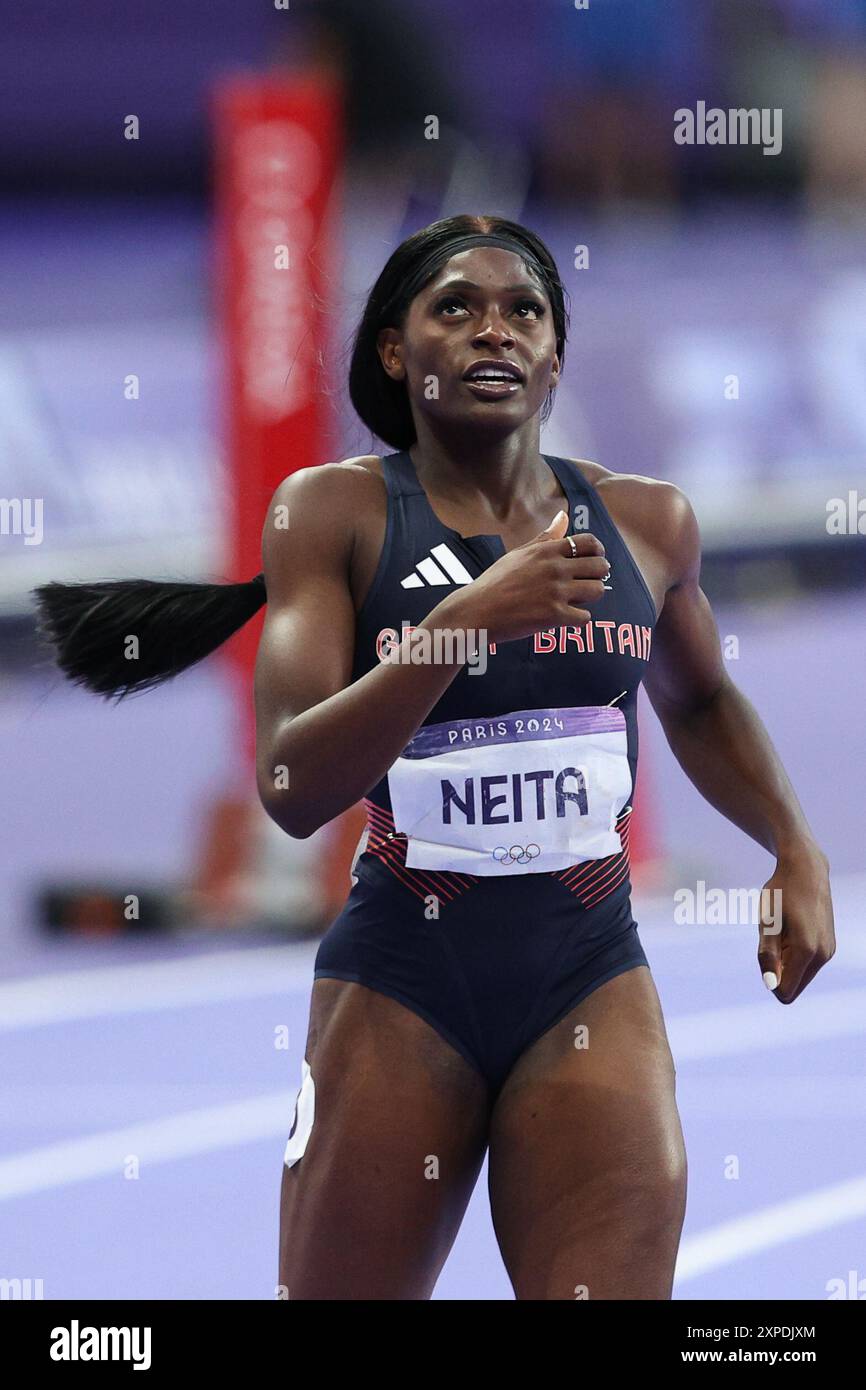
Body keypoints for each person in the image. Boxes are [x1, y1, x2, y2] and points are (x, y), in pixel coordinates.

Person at [34, 213, 835, 1301]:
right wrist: (465, 622)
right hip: (404, 982)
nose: (490, 331)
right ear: (395, 352)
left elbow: (698, 703)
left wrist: (794, 847)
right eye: (453, 308)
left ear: (554, 357)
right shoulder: (335, 514)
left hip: (587, 966)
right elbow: (290, 786)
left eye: (522, 311)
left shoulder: (645, 522)